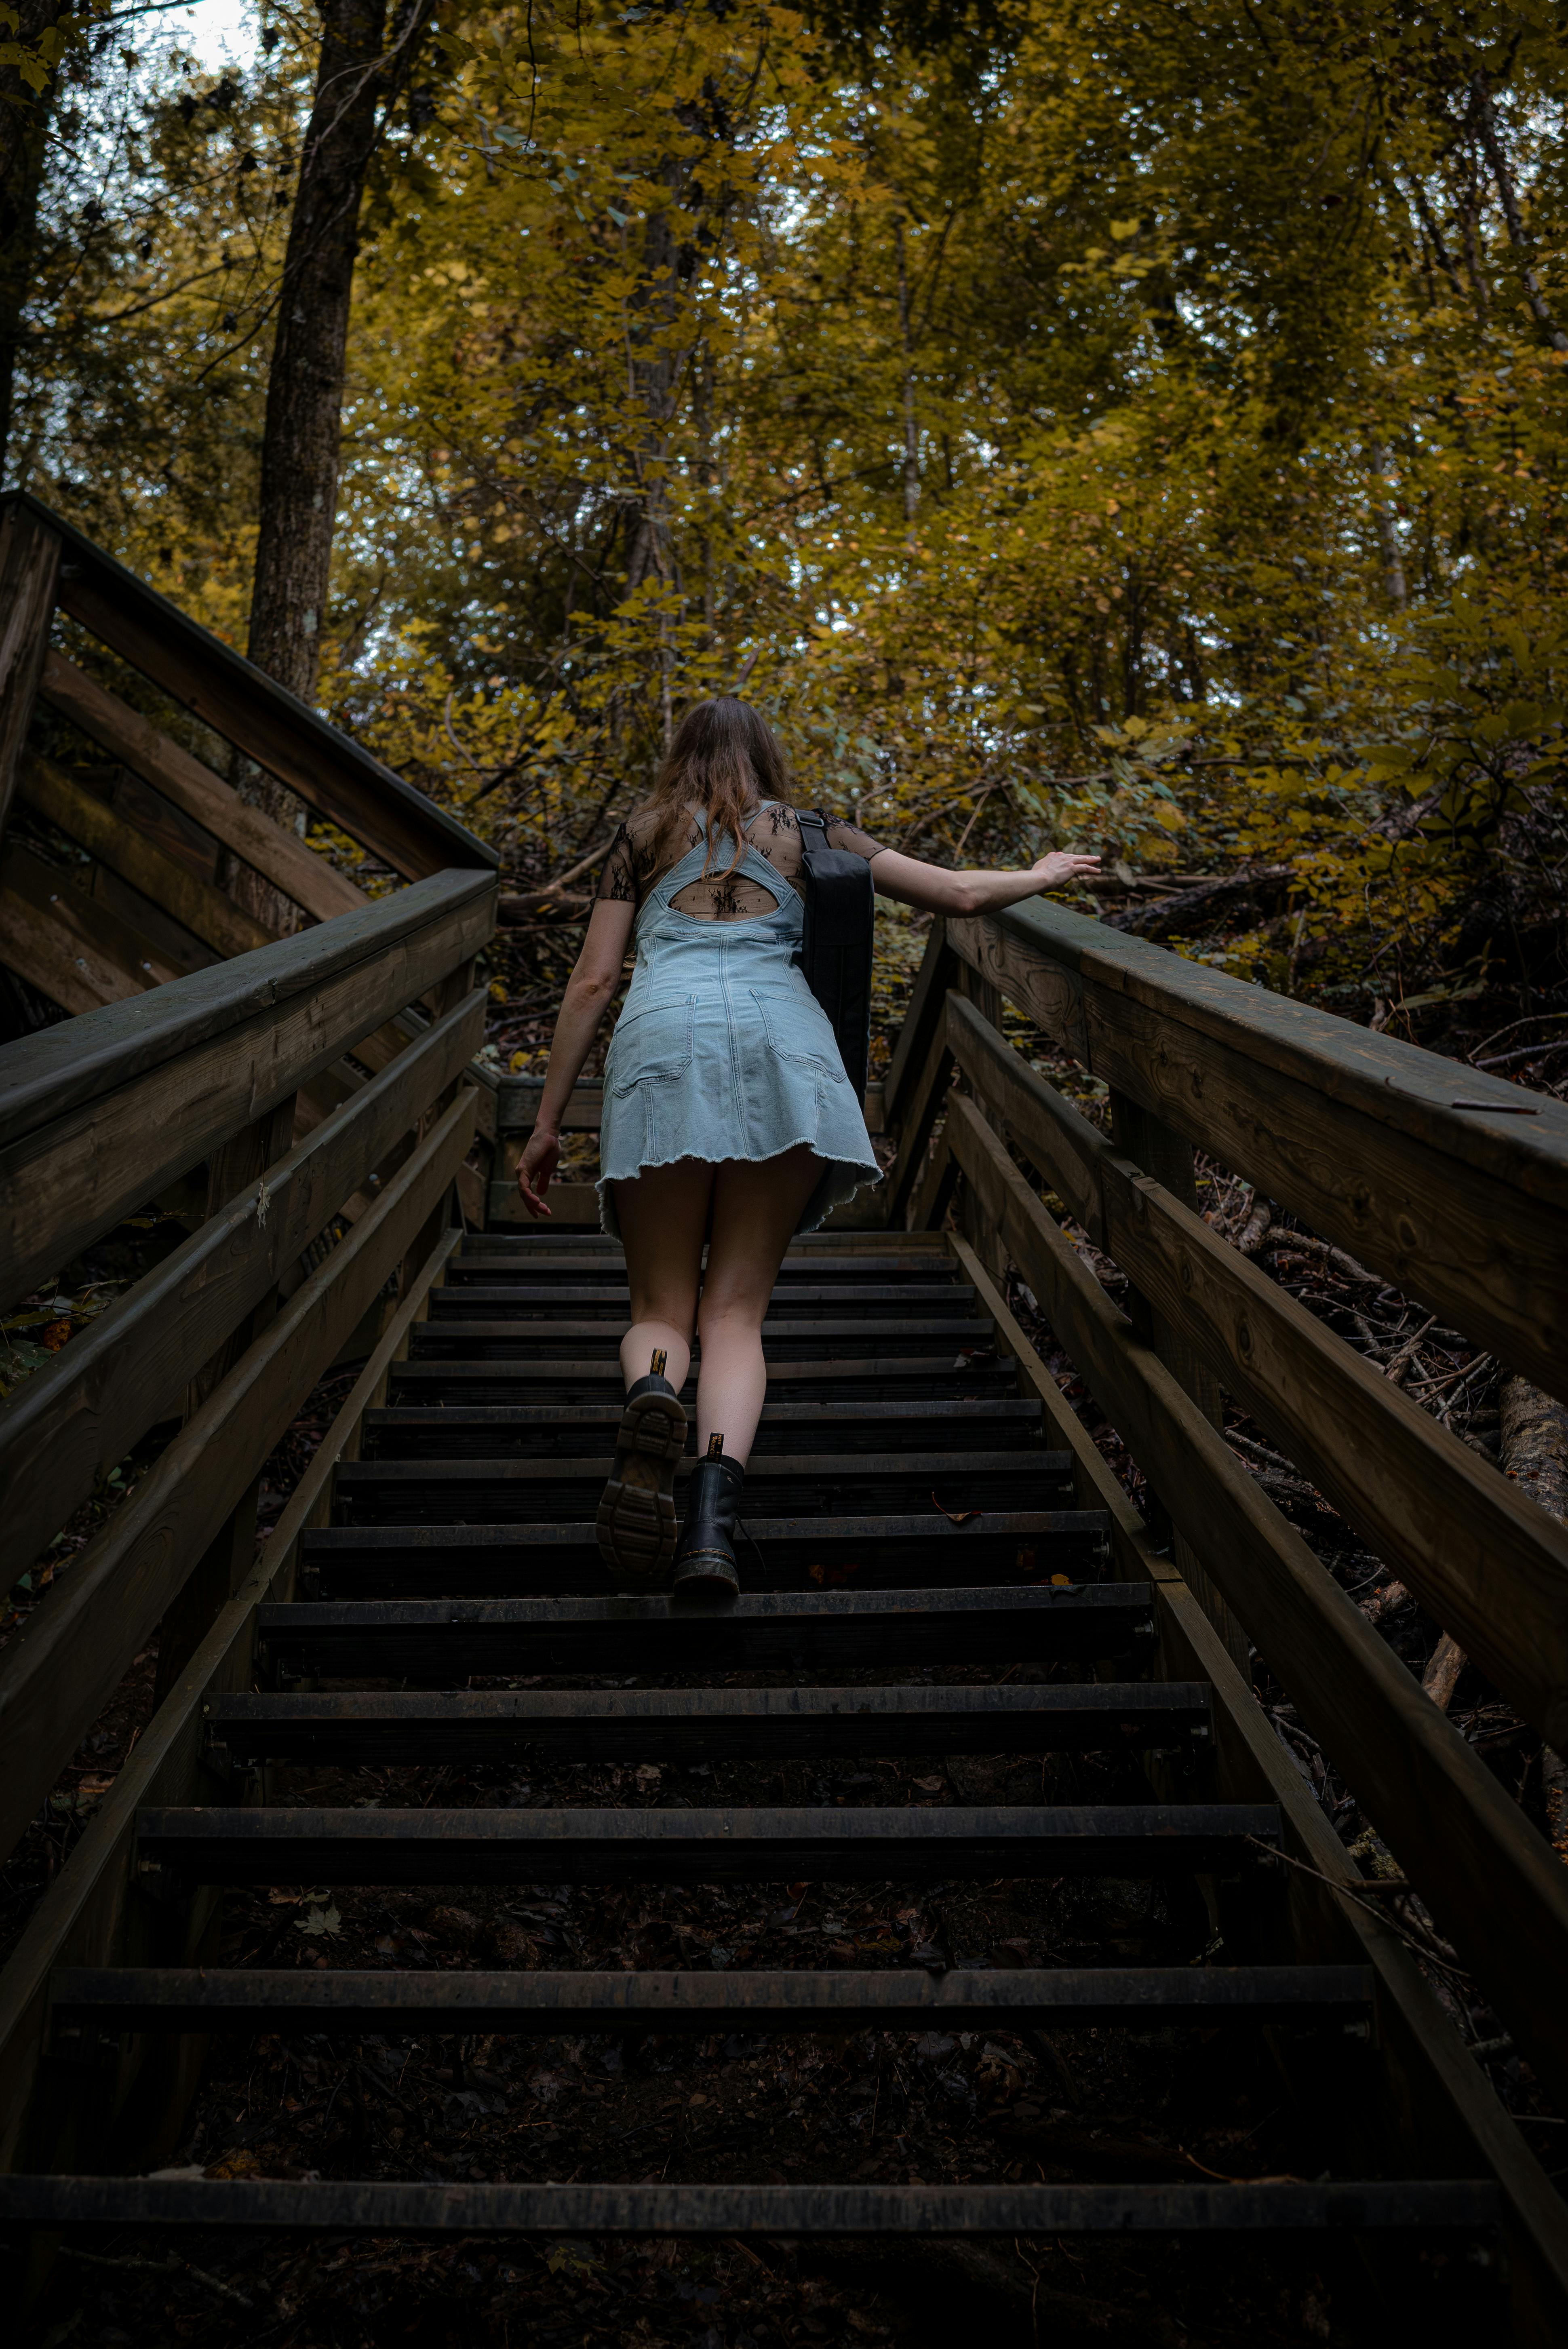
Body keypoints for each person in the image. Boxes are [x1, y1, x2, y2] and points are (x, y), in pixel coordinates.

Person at [516, 698, 1100, 1600]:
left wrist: (549, 1121)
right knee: (737, 1315)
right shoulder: (813, 831)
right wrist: (1037, 870)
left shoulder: (639, 835)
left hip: (664, 1044)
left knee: (661, 1308)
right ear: (765, 757)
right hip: (783, 1052)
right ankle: (709, 1529)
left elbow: (594, 979)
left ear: (682, 755)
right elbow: (957, 894)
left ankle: (655, 1390)